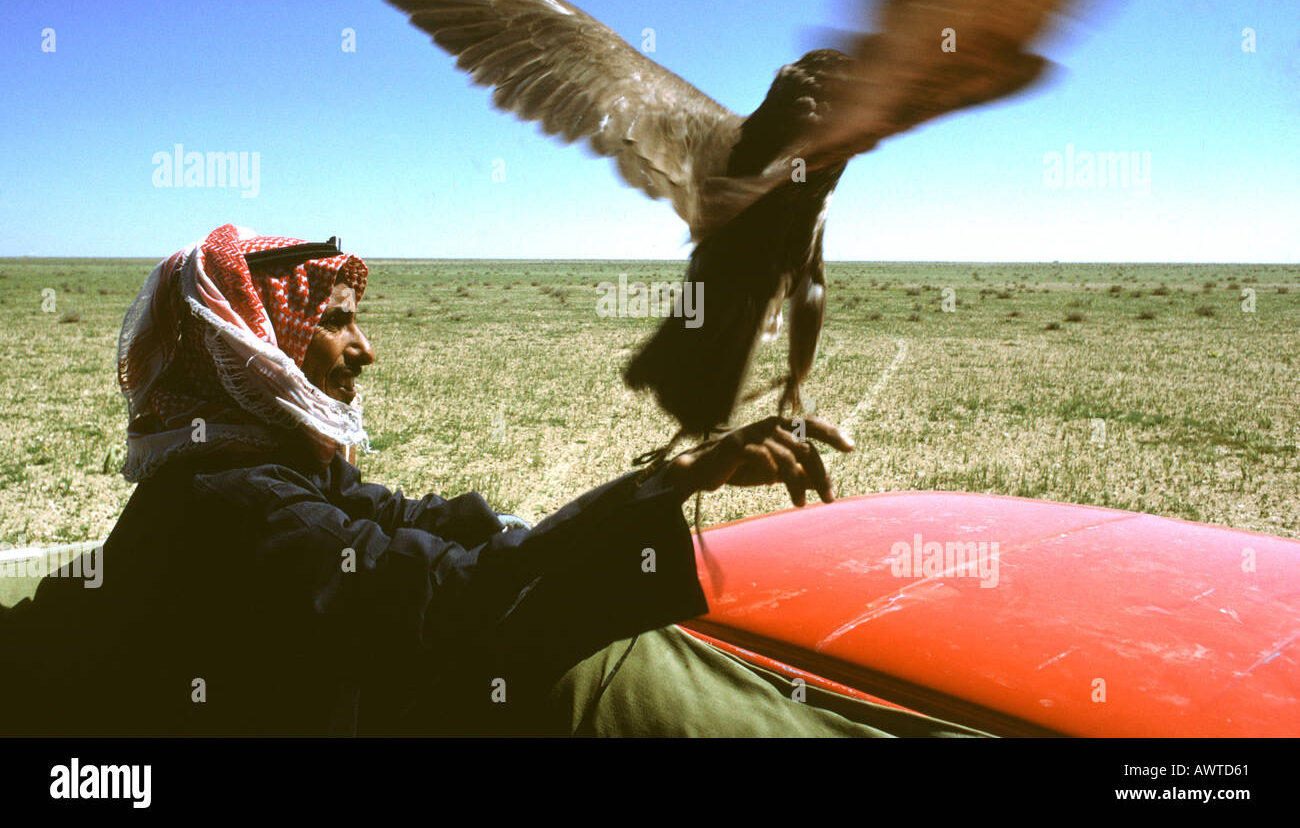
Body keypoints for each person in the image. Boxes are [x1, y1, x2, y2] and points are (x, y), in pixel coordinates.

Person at [0, 224, 981, 737]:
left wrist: (624, 495)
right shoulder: (227, 499)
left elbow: (417, 520)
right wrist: (664, 483)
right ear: (244, 343)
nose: (363, 346)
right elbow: (442, 600)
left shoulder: (253, 467)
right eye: (334, 318)